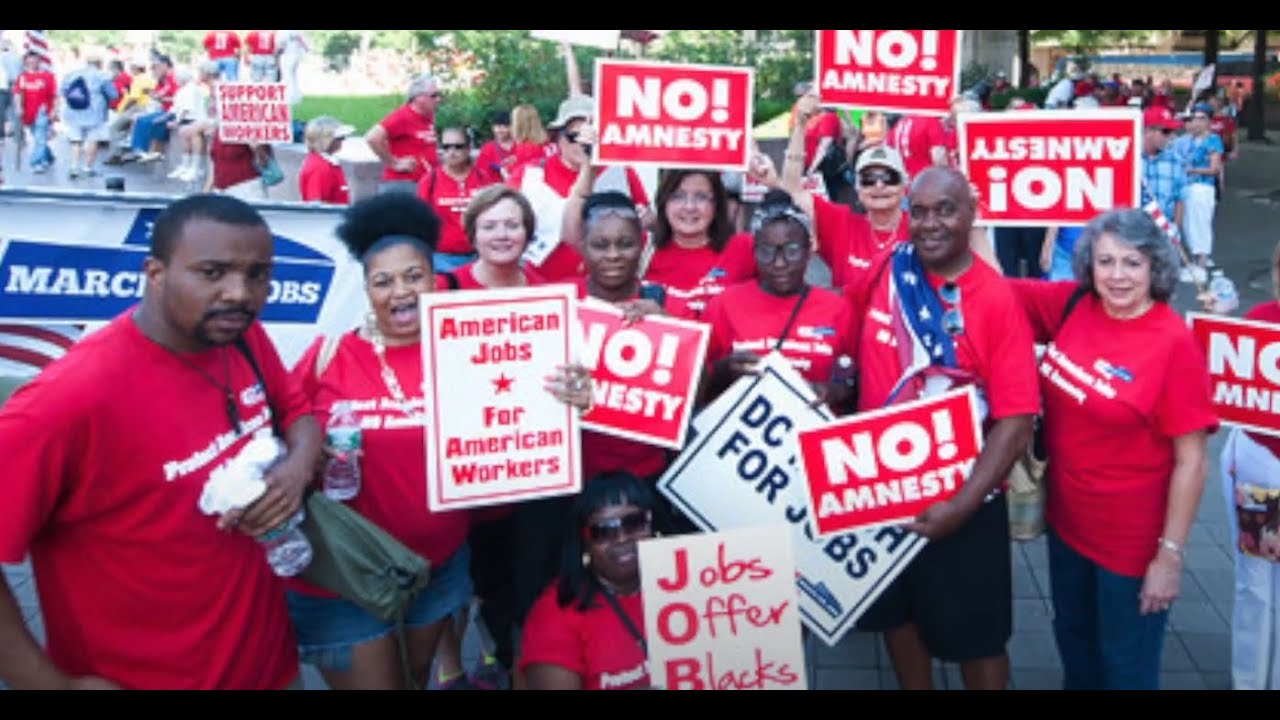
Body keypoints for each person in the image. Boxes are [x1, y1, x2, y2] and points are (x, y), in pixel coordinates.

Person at [0, 194, 323, 689]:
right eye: (212, 272)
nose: (240, 293)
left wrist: (296, 470)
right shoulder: (66, 401)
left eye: (257, 274)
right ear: (155, 273)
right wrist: (44, 681)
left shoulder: (238, 337)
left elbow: (298, 413)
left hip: (270, 667)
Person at [283, 191, 593, 690]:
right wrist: (307, 454)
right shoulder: (328, 356)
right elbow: (282, 427)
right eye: (382, 281)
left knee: (414, 679)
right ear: (366, 289)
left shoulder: (475, 350)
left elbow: (522, 423)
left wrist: (573, 399)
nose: (400, 291)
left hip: (438, 570)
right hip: (346, 577)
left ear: (436, 278)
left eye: (414, 276)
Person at [843, 166, 1041, 690]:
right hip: (881, 486)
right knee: (898, 615)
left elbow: (1017, 417)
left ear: (971, 216)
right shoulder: (889, 269)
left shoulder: (994, 298)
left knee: (978, 636)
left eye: (945, 210)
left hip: (964, 495)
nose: (930, 223)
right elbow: (844, 329)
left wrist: (964, 504)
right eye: (921, 210)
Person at [1007, 208, 1217, 690]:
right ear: (1088, 266)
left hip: (1131, 547)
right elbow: (990, 289)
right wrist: (978, 215)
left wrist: (1169, 558)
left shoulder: (1173, 342)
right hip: (1066, 526)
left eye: (1133, 263)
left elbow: (1193, 461)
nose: (1117, 276)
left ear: (1155, 269)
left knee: (1125, 668)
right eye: (1106, 262)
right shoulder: (1074, 304)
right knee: (1076, 649)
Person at [702, 193, 858, 414]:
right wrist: (723, 371)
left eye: (792, 250)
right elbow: (697, 386)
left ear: (809, 250)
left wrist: (832, 391)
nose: (780, 263)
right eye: (767, 251)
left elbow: (855, 382)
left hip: (811, 436)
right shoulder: (723, 305)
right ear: (754, 251)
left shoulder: (839, 308)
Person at [519, 471, 656, 690]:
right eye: (603, 531)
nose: (621, 538)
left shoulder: (688, 585)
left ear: (650, 524)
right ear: (584, 542)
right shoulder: (555, 614)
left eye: (633, 523)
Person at [1217, 240, 1280, 690]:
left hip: (1259, 462)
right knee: (1256, 585)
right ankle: (1251, 682)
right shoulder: (1261, 321)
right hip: (1261, 466)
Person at [507, 95, 651, 282]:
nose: (584, 144)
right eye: (575, 136)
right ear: (557, 138)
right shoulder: (528, 175)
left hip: (610, 287)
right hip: (545, 284)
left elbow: (648, 219)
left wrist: (645, 219)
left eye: (592, 136)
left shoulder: (622, 172)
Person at [639, 168, 755, 321]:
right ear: (663, 202)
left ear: (716, 205)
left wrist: (777, 185)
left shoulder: (744, 247)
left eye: (701, 197)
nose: (689, 207)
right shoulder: (640, 248)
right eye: (678, 196)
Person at [417, 126, 497, 272]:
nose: (452, 152)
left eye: (458, 147)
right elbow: (420, 219)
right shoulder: (430, 180)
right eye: (446, 147)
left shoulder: (483, 178)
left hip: (478, 255)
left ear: (468, 148)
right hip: (441, 257)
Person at [365, 73, 440, 193]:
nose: (438, 99)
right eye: (434, 96)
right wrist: (394, 163)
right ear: (418, 98)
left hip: (423, 182)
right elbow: (372, 138)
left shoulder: (428, 116)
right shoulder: (402, 117)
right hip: (404, 184)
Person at [59, 49, 118, 180]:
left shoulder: (72, 74)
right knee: (93, 140)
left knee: (76, 140)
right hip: (94, 113)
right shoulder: (102, 76)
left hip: (74, 112)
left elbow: (62, 91)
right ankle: (87, 168)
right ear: (99, 63)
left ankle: (74, 167)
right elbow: (113, 95)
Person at [1181, 102, 1224, 279]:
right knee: (1188, 222)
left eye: (1202, 119)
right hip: (1187, 186)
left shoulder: (1213, 140)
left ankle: (1202, 259)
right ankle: (1195, 256)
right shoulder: (1189, 140)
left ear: (1209, 121)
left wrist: (1193, 170)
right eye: (1195, 118)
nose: (1197, 122)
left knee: (1200, 222)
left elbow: (1215, 168)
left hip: (1203, 187)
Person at [14, 50, 56, 173]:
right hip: (28, 110)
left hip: (42, 110)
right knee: (37, 136)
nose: (32, 63)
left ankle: (36, 162)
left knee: (40, 137)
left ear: (39, 61)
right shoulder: (23, 77)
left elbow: (54, 95)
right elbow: (18, 93)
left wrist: (54, 110)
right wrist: (18, 107)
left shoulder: (48, 76)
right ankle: (48, 157)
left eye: (35, 60)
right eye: (30, 60)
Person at [299, 115, 354, 205]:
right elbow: (316, 207)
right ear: (326, 140)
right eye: (339, 138)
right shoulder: (319, 168)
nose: (343, 141)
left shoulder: (325, 163)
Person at [474, 109, 517, 183]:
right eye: (497, 126)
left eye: (505, 126)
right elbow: (480, 174)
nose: (500, 130)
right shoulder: (487, 148)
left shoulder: (521, 146)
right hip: (496, 190)